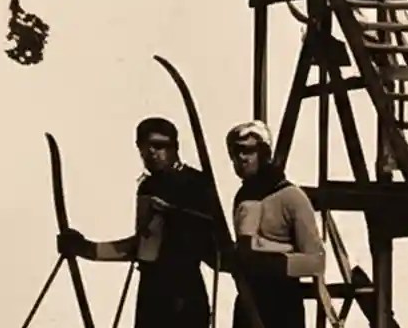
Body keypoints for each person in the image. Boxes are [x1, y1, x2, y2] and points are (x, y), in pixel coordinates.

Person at [56, 117, 218, 328]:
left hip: (183, 293)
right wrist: (87, 249)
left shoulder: (195, 182)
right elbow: (143, 247)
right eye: (145, 146)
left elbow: (212, 246)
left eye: (160, 146)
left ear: (174, 147)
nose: (152, 152)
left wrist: (176, 214)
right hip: (152, 293)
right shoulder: (149, 187)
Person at [225, 120, 325, 328]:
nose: (242, 158)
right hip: (248, 301)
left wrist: (269, 262)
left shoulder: (292, 198)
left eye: (249, 151)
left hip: (283, 305)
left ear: (263, 154)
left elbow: (316, 261)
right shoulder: (243, 198)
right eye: (236, 152)